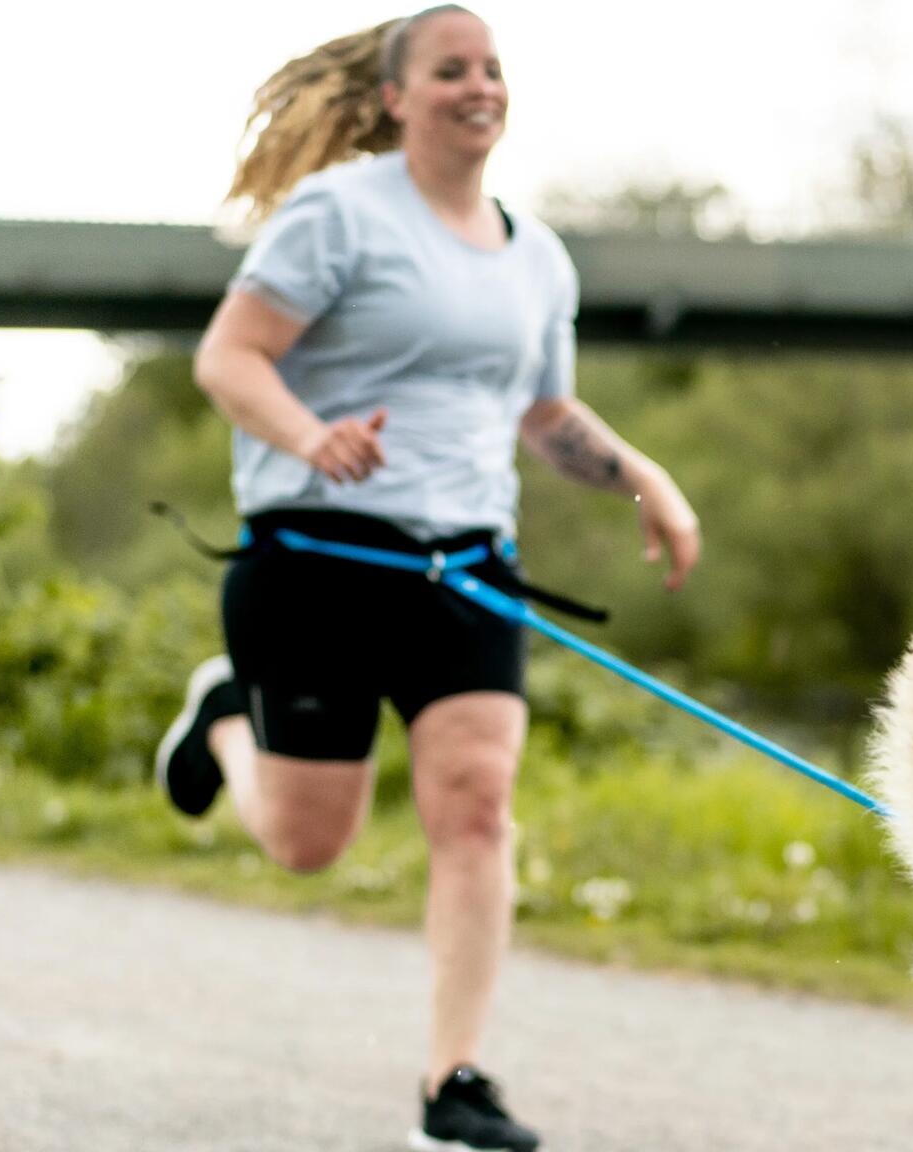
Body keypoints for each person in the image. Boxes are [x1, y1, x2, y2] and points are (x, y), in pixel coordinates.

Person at [151, 8, 701, 1150]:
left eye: (492, 68)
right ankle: (222, 718)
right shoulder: (340, 214)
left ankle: (454, 1088)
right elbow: (228, 355)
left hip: (467, 570)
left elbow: (544, 414)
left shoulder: (538, 256)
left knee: (475, 804)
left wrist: (644, 475)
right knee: (309, 843)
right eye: (450, 69)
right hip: (316, 560)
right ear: (397, 97)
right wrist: (310, 436)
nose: (478, 85)